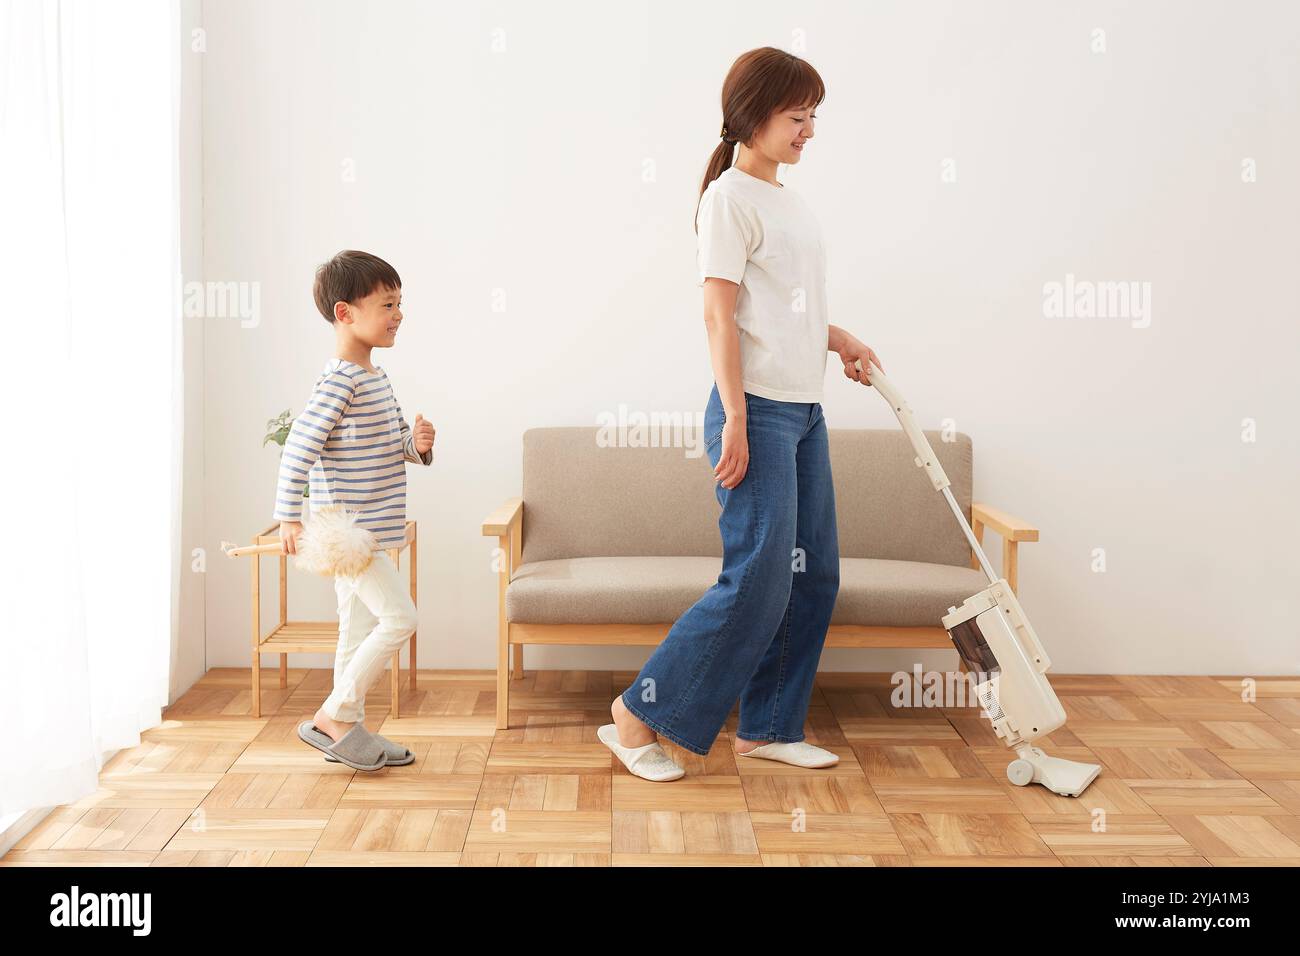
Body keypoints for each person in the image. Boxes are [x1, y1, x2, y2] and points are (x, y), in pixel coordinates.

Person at [599, 47, 885, 781]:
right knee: (756, 579)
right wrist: (733, 417)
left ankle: (767, 728)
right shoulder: (728, 199)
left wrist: (837, 337)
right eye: (798, 116)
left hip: (804, 411)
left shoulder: (788, 201)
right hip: (754, 411)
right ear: (753, 116)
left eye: (814, 115)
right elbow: (718, 318)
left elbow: (783, 311)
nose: (810, 131)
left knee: (812, 575)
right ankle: (635, 716)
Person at [274, 250, 436, 771]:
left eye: (399, 303)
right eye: (388, 304)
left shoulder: (372, 376)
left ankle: (349, 730)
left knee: (357, 628)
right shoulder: (341, 379)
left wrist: (416, 446)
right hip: (352, 532)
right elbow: (299, 445)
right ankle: (336, 715)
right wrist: (289, 517)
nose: (399, 314)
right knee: (401, 617)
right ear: (345, 313)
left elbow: (386, 446)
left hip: (368, 528)